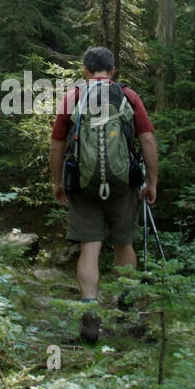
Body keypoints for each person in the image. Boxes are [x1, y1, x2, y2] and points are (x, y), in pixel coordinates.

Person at [49, 46, 158, 341]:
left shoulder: (73, 96)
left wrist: (58, 182)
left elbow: (57, 144)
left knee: (90, 247)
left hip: (83, 186)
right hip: (124, 184)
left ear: (85, 70)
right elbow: (147, 139)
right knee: (124, 244)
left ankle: (90, 316)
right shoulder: (128, 96)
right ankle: (126, 309)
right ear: (112, 71)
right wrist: (153, 182)